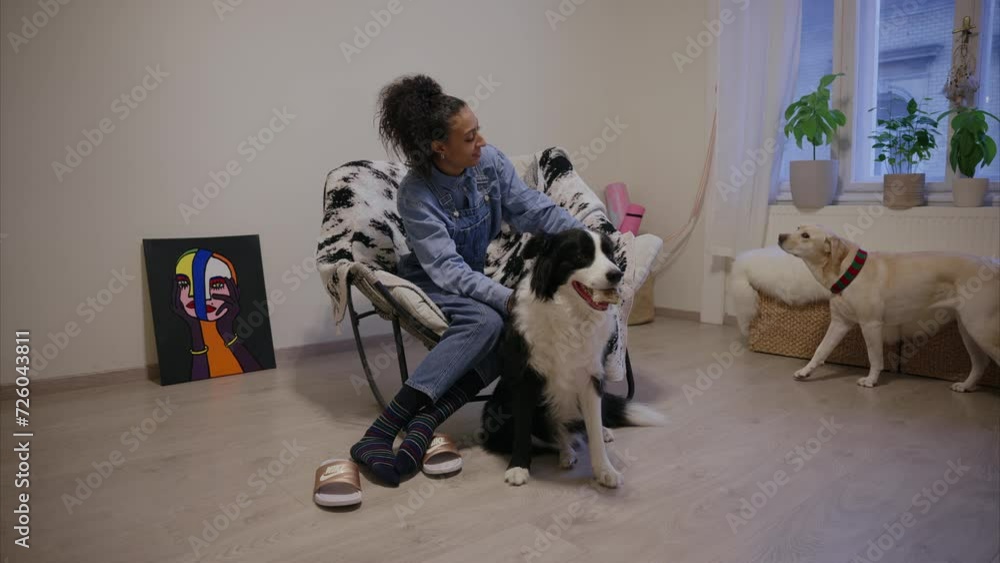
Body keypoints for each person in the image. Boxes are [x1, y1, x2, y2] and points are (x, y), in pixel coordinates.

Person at [348, 74, 585, 485]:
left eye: (478, 130)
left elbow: (531, 208)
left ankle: (423, 426)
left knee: (514, 330)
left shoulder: (489, 164)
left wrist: (585, 238)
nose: (482, 141)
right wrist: (510, 299)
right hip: (430, 280)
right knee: (487, 320)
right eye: (470, 136)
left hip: (469, 277)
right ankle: (381, 432)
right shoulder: (415, 195)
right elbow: (446, 271)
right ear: (440, 147)